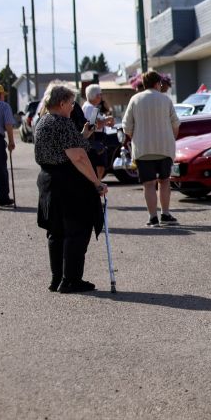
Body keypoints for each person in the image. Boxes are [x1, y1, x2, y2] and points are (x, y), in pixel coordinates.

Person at [34, 84, 108, 294]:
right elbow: (78, 156)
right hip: (67, 183)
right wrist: (96, 182)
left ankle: (57, 277)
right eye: (71, 102)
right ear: (62, 103)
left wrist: (83, 135)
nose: (73, 106)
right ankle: (71, 279)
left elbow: (65, 148)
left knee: (56, 232)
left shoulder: (43, 121)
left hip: (48, 181)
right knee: (77, 230)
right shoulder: (62, 122)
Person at [123, 70, 180, 227]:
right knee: (164, 181)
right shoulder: (165, 100)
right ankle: (165, 214)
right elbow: (176, 124)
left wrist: (136, 136)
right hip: (164, 148)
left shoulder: (135, 99)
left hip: (143, 149)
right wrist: (171, 138)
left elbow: (126, 126)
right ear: (157, 83)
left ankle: (152, 217)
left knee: (148, 184)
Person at [82, 84, 114, 179]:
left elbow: (96, 124)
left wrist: (106, 121)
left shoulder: (91, 107)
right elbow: (93, 126)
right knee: (98, 166)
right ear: (95, 95)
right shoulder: (90, 108)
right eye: (100, 94)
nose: (101, 96)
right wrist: (107, 120)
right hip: (95, 140)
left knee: (100, 166)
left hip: (96, 139)